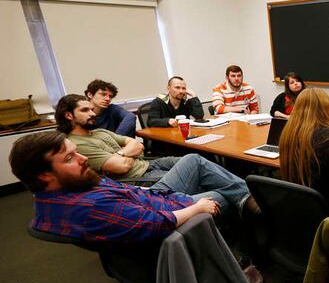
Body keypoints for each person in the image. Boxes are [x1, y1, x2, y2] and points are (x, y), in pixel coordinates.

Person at [54, 94, 258, 216]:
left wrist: (121, 154)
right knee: (198, 165)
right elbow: (122, 167)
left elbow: (137, 145)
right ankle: (251, 200)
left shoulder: (99, 132)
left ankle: (246, 200)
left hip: (149, 164)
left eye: (91, 109)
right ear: (69, 115)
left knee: (200, 162)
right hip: (139, 179)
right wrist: (125, 154)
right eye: (85, 110)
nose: (92, 113)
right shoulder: (77, 144)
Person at [10, 131, 223, 243]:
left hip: (149, 197)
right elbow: (158, 223)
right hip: (170, 218)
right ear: (44, 174)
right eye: (69, 158)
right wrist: (198, 208)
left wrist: (151, 191)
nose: (83, 158)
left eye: (76, 152)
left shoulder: (61, 191)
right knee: (219, 194)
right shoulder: (93, 206)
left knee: (193, 160)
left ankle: (242, 203)